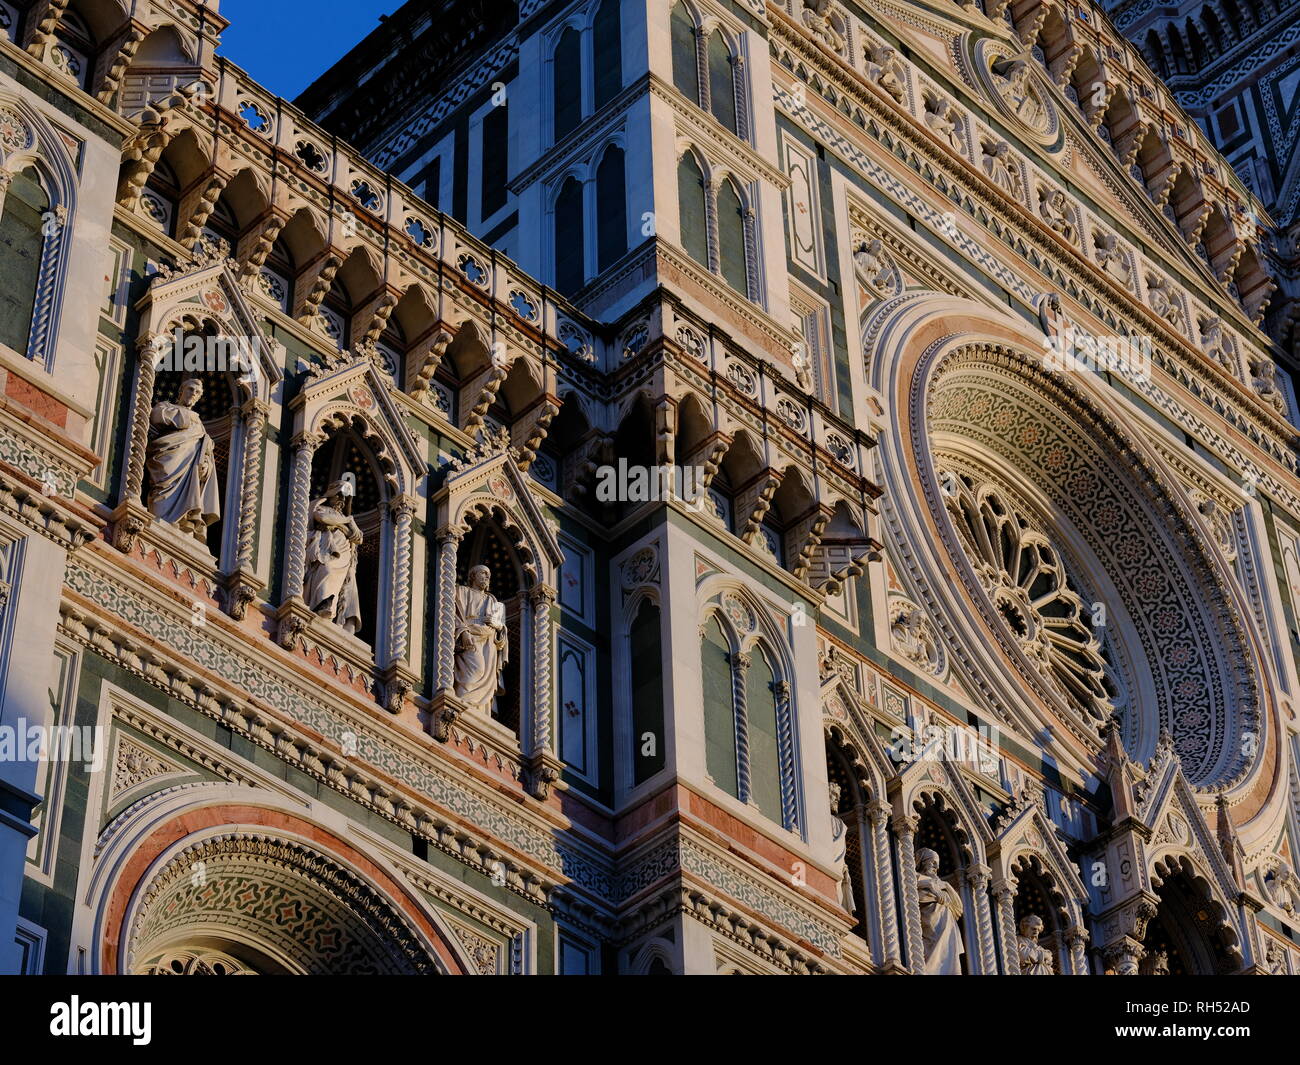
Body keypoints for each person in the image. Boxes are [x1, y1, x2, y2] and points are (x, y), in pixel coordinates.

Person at [146, 376, 220, 541]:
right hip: (167, 464)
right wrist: (186, 417)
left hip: (189, 475)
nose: (193, 394)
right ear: (181, 391)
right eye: (190, 389)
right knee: (160, 501)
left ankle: (183, 523)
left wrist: (205, 469)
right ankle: (161, 516)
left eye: (197, 392)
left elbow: (206, 456)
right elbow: (156, 416)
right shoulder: (166, 407)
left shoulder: (200, 426)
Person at [304, 479, 363, 634]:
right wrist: (346, 521)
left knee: (345, 586)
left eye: (346, 497)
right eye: (340, 495)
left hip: (343, 551)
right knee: (327, 569)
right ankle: (321, 604)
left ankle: (329, 608)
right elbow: (323, 518)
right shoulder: (320, 507)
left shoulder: (345, 518)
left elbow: (358, 537)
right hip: (327, 547)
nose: (342, 500)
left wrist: (346, 523)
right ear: (332, 494)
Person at [454, 564, 508, 714]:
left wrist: (497, 626)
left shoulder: (493, 601)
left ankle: (480, 712)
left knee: (485, 674)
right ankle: (463, 701)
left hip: (488, 643)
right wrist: (463, 632)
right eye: (483, 573)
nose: (487, 577)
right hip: (469, 637)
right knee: (475, 670)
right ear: (472, 576)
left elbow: (501, 631)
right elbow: (453, 614)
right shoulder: (461, 591)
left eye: (488, 575)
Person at [916, 847, 964, 974]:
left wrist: (947, 886)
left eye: (937, 863)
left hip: (946, 920)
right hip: (930, 918)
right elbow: (908, 883)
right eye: (932, 862)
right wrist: (932, 886)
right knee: (932, 949)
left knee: (948, 950)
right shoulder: (916, 877)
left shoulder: (942, 884)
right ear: (922, 862)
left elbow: (958, 907)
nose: (936, 866)